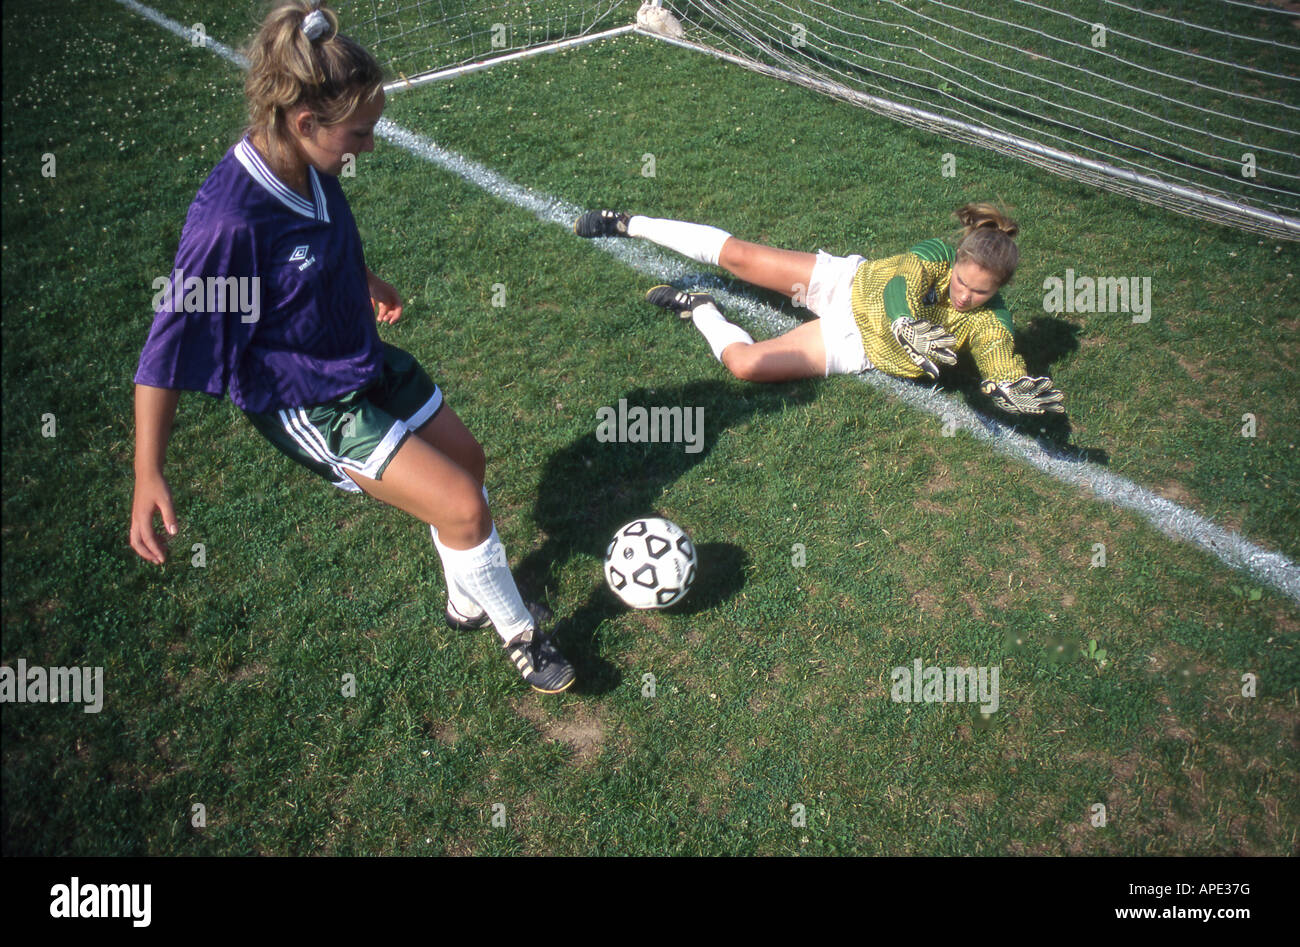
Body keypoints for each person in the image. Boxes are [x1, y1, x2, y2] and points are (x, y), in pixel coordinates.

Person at [129, 1, 575, 694]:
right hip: (309, 398)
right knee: (461, 504)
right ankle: (520, 633)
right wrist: (148, 472)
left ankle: (467, 600)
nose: (368, 146)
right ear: (306, 122)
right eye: (360, 133)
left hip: (360, 355)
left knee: (469, 460)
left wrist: (365, 278)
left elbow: (315, 240)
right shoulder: (230, 223)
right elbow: (165, 350)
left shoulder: (309, 163)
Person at [574, 204, 1065, 415]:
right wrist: (904, 323)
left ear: (998, 290)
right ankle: (628, 223)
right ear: (957, 261)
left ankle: (698, 307)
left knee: (745, 366)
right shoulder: (936, 253)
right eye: (962, 283)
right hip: (845, 286)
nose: (964, 297)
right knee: (739, 256)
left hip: (859, 346)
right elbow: (899, 284)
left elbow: (1001, 357)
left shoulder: (992, 321)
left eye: (979, 294)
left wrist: (1008, 386)